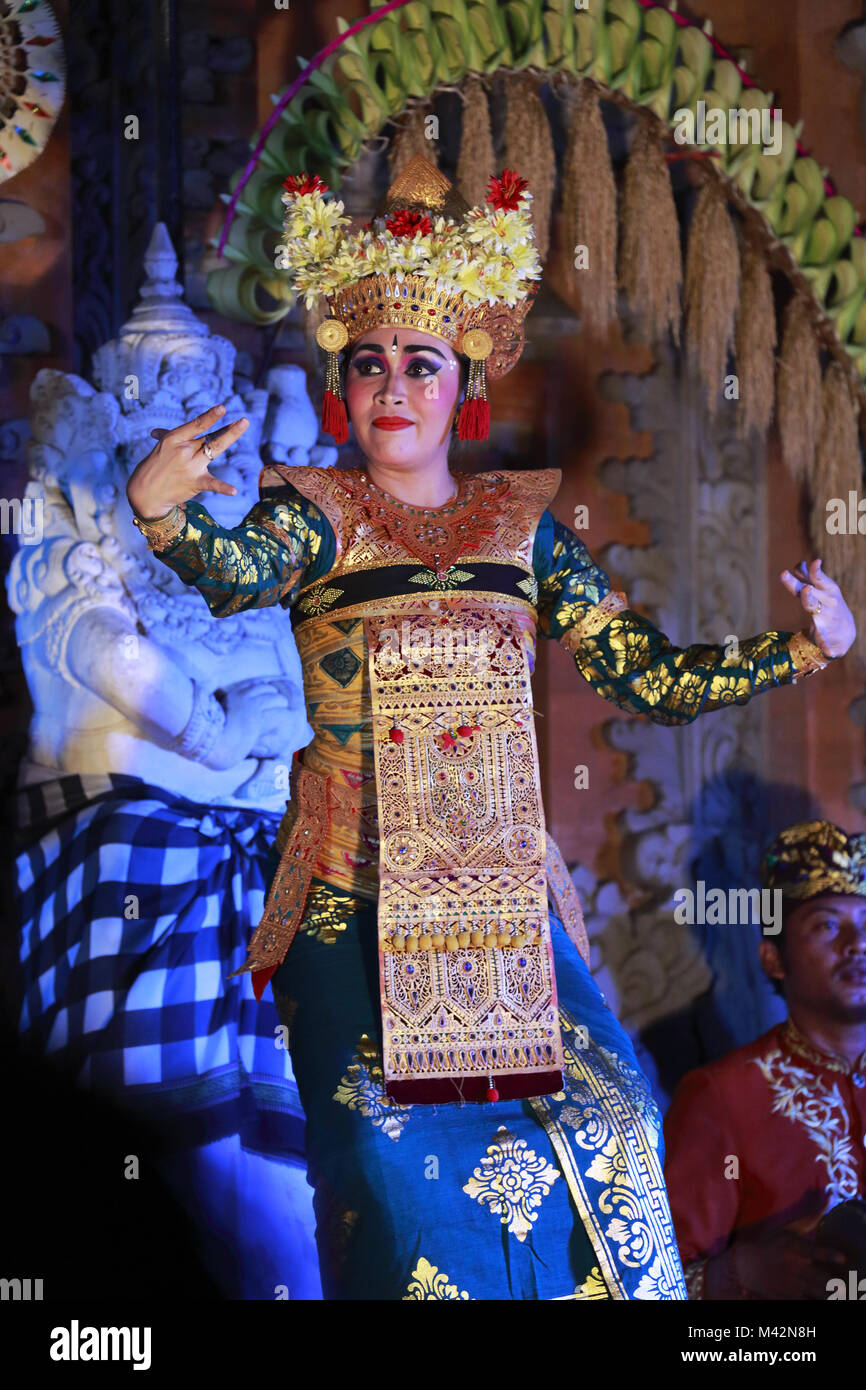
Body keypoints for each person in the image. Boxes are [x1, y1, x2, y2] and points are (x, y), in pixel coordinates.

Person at [125, 155, 855, 1300]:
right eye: (367, 364)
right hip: (347, 890)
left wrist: (803, 649)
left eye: (420, 363)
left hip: (499, 898)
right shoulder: (311, 517)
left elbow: (643, 674)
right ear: (342, 384)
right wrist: (159, 516)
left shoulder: (522, 533)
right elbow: (226, 572)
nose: (392, 387)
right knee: (391, 1169)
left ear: (460, 378)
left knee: (612, 1132)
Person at [664, 820, 866, 1300]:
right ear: (773, 958)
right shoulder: (723, 1096)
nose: (856, 943)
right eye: (828, 925)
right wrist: (744, 1270)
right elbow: (651, 1282)